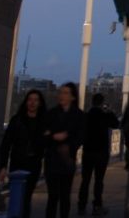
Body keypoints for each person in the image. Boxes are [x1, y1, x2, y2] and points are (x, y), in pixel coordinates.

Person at [0, 90, 47, 218]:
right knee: (17, 196)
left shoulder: (44, 123)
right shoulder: (17, 120)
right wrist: (3, 166)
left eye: (35, 100)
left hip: (33, 164)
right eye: (30, 99)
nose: (32, 103)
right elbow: (6, 144)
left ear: (40, 103)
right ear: (26, 102)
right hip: (18, 162)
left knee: (26, 197)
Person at [43, 82, 85, 218]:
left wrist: (69, 143)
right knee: (52, 196)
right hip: (52, 159)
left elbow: (81, 136)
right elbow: (44, 134)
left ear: (73, 97)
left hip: (67, 160)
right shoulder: (51, 113)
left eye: (66, 93)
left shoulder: (79, 116)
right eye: (60, 92)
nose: (62, 95)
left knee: (65, 195)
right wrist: (55, 136)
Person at [77, 94, 119, 216]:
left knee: (85, 180)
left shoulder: (86, 116)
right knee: (99, 181)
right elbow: (116, 124)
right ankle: (97, 205)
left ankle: (81, 205)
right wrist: (109, 112)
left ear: (92, 102)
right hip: (101, 152)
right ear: (102, 103)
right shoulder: (105, 116)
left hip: (88, 152)